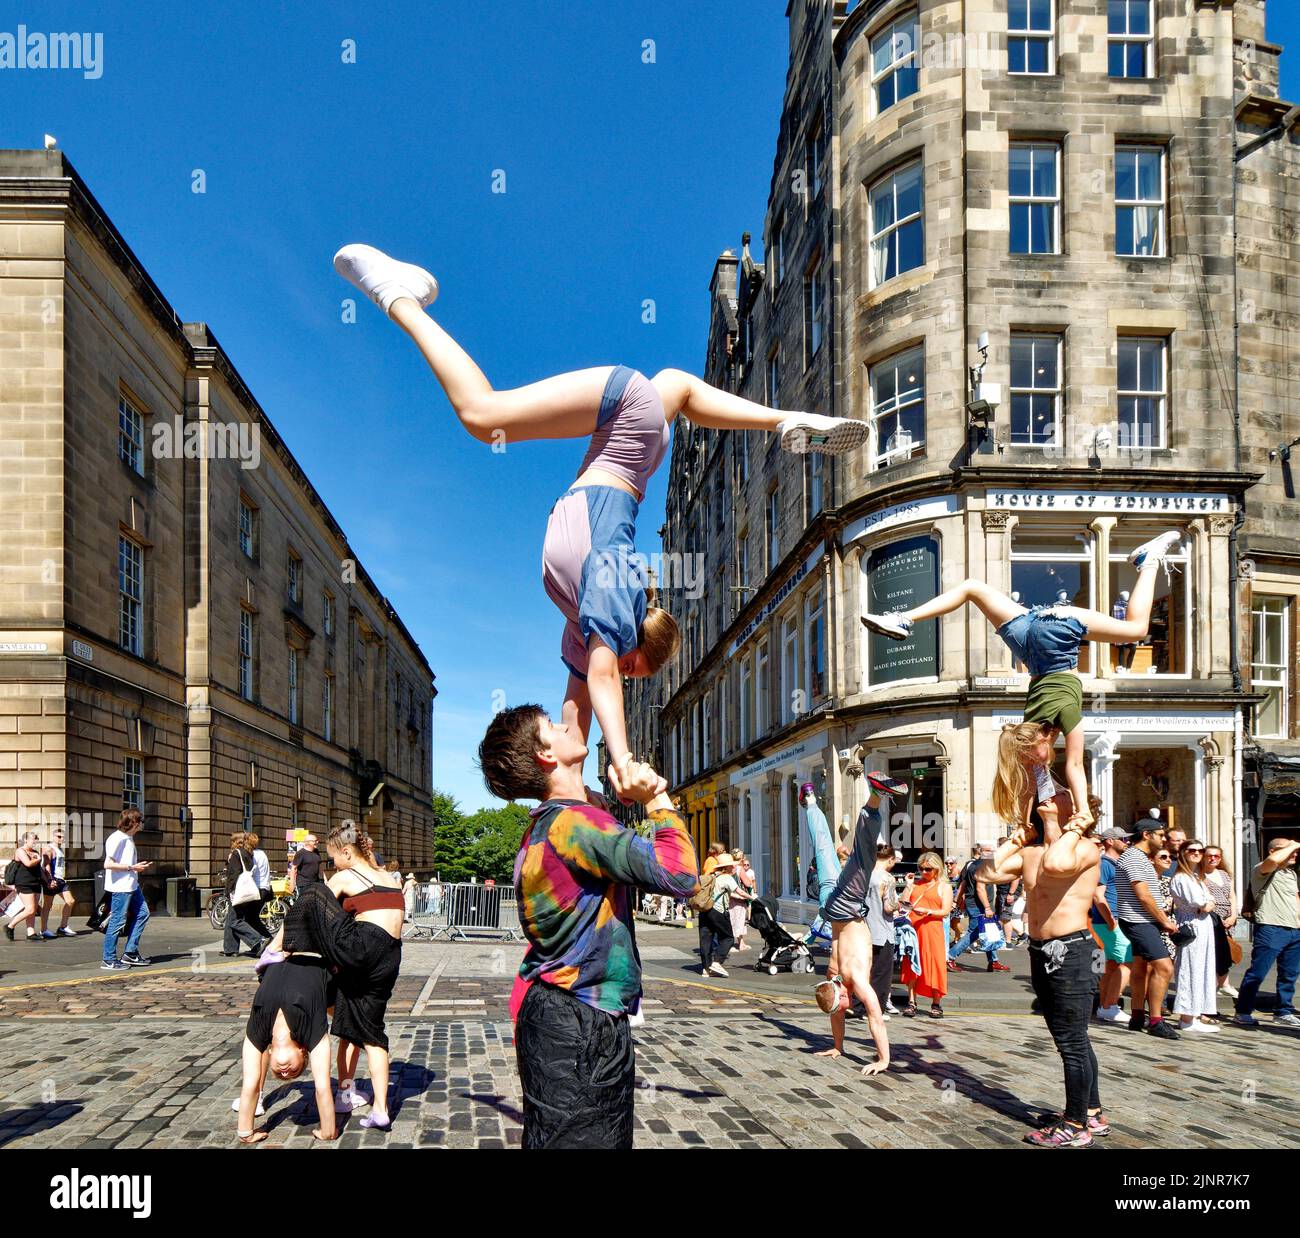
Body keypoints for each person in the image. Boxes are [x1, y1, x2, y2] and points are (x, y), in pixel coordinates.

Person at [334, 243, 868, 805]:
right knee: (482, 414)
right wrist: (626, 763)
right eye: (633, 670)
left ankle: (787, 419)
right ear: (632, 649)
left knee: (676, 388)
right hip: (628, 421)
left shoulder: (584, 616)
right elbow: (603, 679)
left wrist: (569, 792)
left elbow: (576, 706)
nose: (622, 674)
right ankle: (398, 296)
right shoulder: (617, 598)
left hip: (633, 440)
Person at [476, 702, 698, 1149]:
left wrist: (586, 651)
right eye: (552, 727)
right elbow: (681, 873)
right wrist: (655, 794)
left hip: (556, 1016)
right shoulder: (577, 824)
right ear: (545, 756)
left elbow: (578, 700)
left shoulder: (548, 823)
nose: (566, 726)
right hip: (581, 1025)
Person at [863, 529, 1182, 831]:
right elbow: (1031, 781)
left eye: (1036, 755)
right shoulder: (1025, 727)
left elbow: (1073, 767)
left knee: (1137, 630)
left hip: (1051, 635)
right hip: (1029, 640)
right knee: (972, 588)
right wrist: (1026, 823)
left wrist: (1079, 810)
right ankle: (902, 619)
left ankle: (1149, 560)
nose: (1040, 761)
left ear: (1039, 741)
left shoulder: (1061, 715)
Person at [977, 795, 1109, 1148]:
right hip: (1039, 950)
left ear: (1077, 812)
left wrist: (1071, 827)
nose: (1049, 795)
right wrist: (1016, 840)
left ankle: (1076, 1124)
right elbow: (985, 873)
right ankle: (1092, 1112)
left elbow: (1056, 863)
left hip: (1073, 950)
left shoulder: (1085, 848)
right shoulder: (1033, 853)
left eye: (1061, 795)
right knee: (1072, 1037)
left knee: (1072, 1041)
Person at [259, 822, 405, 1130]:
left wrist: (287, 944)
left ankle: (275, 948)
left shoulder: (347, 875)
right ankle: (380, 1109)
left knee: (311, 897)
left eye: (332, 858)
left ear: (347, 852)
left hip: (362, 948)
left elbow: (312, 906)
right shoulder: (389, 877)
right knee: (371, 1034)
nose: (331, 865)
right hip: (390, 956)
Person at [812, 774, 905, 1074]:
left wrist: (883, 1059)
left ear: (838, 993)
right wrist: (838, 1047)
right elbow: (837, 1013)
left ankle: (875, 796)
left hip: (846, 908)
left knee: (864, 853)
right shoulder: (832, 978)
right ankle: (810, 802)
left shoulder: (850, 977)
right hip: (829, 908)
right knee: (824, 848)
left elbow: (875, 1016)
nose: (845, 1006)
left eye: (843, 1003)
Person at [235, 953, 337, 1143]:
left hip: (280, 953)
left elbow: (250, 1083)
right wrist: (328, 1131)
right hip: (317, 955)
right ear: (303, 1051)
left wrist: (245, 1133)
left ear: (270, 1051)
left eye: (280, 1075)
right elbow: (322, 1086)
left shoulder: (258, 1032)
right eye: (295, 1070)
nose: (285, 1072)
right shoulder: (311, 1032)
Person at [1111, 818, 1180, 1038]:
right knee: (1164, 968)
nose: (1164, 839)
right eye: (1160, 835)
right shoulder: (1133, 857)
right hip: (1138, 920)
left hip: (1142, 920)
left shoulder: (1139, 857)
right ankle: (1156, 1020)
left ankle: (1138, 1015)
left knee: (1142, 968)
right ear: (1147, 835)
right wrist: (1164, 921)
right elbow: (1143, 895)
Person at [1233, 837, 1300, 1029]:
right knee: (1258, 972)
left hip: (1293, 930)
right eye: (1287, 850)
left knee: (1290, 973)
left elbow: (1295, 897)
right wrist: (1293, 844)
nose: (1294, 853)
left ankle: (1283, 1011)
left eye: (1295, 850)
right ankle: (1243, 1011)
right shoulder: (1262, 868)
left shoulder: (1290, 873)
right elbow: (1271, 863)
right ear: (1273, 851)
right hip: (1271, 927)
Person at [1169, 841, 1219, 1034]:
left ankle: (1196, 1013)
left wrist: (1208, 903)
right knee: (1191, 968)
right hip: (1192, 923)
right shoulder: (1182, 878)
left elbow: (1210, 902)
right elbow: (1202, 904)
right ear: (1183, 853)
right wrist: (1208, 903)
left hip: (1203, 924)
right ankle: (1187, 1016)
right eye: (1192, 850)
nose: (1197, 853)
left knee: (1203, 968)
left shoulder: (1196, 877)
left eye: (1200, 850)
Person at [900, 850, 953, 1018]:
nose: (923, 872)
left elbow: (945, 911)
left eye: (928, 869)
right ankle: (911, 1002)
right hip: (914, 930)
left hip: (933, 930)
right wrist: (908, 886)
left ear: (937, 869)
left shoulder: (944, 887)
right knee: (912, 964)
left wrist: (928, 911)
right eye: (921, 868)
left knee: (935, 965)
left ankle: (936, 1003)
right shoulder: (916, 884)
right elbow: (903, 904)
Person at [100, 809, 152, 970]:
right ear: (134, 823)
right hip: (120, 887)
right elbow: (107, 864)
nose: (142, 823)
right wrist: (132, 867)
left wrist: (135, 869)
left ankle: (130, 952)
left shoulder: (128, 838)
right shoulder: (118, 839)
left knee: (143, 913)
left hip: (131, 886)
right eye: (141, 821)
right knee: (117, 921)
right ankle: (108, 958)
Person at [949, 842, 1010, 973]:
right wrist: (987, 907)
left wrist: (956, 901)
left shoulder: (972, 865)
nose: (993, 852)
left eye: (993, 850)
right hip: (979, 905)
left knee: (989, 931)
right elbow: (980, 888)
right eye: (989, 850)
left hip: (975, 903)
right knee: (974, 932)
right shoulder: (983, 867)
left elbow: (963, 884)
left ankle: (993, 961)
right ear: (982, 851)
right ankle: (950, 956)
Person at [1093, 828, 1133, 1024]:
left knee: (1112, 964)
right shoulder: (1105, 864)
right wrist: (1111, 920)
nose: (1127, 842)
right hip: (1110, 919)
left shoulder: (1115, 864)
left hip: (1111, 919)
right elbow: (1098, 895)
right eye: (1123, 839)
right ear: (1110, 841)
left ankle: (1105, 1006)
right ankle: (1110, 1006)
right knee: (1127, 962)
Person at [1200, 844, 1239, 998]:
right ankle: (1219, 984)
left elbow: (1232, 896)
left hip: (1227, 917)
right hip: (1212, 917)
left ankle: (1223, 983)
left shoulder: (1224, 874)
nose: (1213, 858)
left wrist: (1234, 915)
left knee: (1226, 952)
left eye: (1216, 856)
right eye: (1210, 855)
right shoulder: (1200, 875)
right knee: (1215, 953)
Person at [867, 840, 900, 1015]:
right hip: (882, 931)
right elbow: (888, 907)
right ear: (890, 859)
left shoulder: (865, 875)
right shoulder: (887, 878)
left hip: (865, 930)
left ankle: (858, 1006)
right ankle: (876, 1010)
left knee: (866, 972)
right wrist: (900, 904)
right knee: (881, 974)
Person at [222, 833, 266, 958]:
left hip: (238, 892)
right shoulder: (250, 854)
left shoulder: (237, 854)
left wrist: (230, 891)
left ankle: (258, 940)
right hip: (247, 891)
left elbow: (234, 875)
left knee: (234, 921)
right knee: (232, 919)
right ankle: (231, 949)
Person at [699, 853, 739, 977]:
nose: (734, 868)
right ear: (726, 867)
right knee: (728, 937)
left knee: (706, 939)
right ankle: (717, 961)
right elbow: (738, 891)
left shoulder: (712, 876)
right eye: (732, 866)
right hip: (717, 911)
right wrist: (751, 898)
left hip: (704, 910)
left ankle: (706, 969)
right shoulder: (727, 877)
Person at [3, 833, 46, 942]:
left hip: (36, 883)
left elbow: (39, 869)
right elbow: (28, 864)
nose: (35, 842)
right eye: (33, 839)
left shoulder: (35, 853)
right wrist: (38, 859)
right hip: (24, 883)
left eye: (37, 839)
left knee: (33, 909)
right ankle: (10, 926)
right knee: (30, 909)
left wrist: (47, 880)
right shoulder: (20, 851)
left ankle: (30, 933)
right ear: (26, 840)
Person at [38, 825, 77, 938]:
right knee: (47, 905)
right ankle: (43, 930)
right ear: (54, 837)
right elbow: (46, 865)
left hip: (61, 880)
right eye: (59, 836)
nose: (61, 839)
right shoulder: (49, 848)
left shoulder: (60, 849)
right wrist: (49, 880)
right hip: (52, 880)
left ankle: (63, 927)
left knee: (70, 901)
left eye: (63, 837)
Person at [730, 849, 755, 952]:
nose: (744, 859)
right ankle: (735, 944)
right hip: (740, 898)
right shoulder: (740, 869)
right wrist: (750, 881)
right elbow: (748, 883)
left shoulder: (728, 868)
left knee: (732, 920)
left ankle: (741, 943)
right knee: (739, 921)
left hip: (730, 897)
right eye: (743, 857)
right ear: (740, 858)